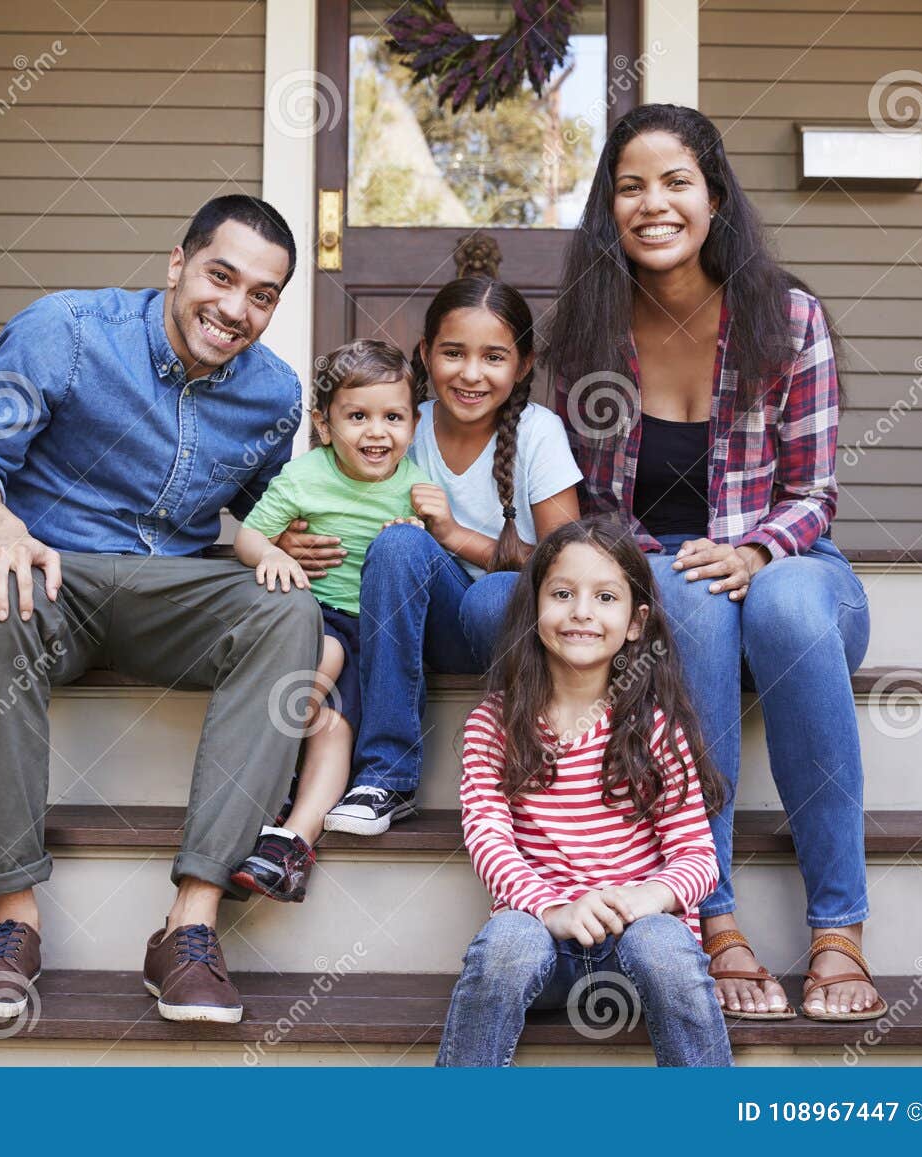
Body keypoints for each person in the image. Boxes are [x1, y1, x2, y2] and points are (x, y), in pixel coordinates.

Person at [0, 195, 321, 1025]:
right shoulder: (65, 330)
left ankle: (189, 926)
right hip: (50, 577)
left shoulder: (275, 395)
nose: (236, 309)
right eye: (222, 276)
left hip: (167, 596)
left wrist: (307, 538)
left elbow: (263, 513)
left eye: (262, 294)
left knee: (288, 613)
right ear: (177, 264)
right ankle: (10, 923)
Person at [547, 103, 886, 1023]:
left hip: (796, 566)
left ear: (715, 196)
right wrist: (653, 566)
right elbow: (589, 507)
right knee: (690, 607)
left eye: (675, 182)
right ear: (607, 208)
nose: (652, 204)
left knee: (778, 608)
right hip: (666, 574)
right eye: (629, 186)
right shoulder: (587, 332)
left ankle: (838, 927)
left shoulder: (788, 317)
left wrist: (752, 550)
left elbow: (814, 497)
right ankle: (716, 912)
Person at [437, 517, 732, 1067]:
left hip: (635, 944)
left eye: (604, 597)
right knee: (506, 942)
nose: (581, 612)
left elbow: (697, 855)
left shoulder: (656, 727)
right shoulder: (494, 725)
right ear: (535, 609)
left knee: (664, 945)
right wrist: (552, 909)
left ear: (636, 622)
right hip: (544, 941)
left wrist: (652, 898)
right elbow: (488, 840)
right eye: (564, 594)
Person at [320, 277, 582, 836]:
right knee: (396, 544)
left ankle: (530, 768)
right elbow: (324, 501)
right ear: (424, 353)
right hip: (418, 624)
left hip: (508, 633)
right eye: (453, 353)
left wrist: (458, 537)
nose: (470, 373)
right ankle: (384, 777)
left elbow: (573, 571)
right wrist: (293, 539)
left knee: (492, 595)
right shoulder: (397, 426)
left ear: (524, 362)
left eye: (493, 357)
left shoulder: (539, 434)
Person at [228, 339, 428, 899]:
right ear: (323, 425)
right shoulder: (304, 477)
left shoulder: (416, 485)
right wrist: (272, 553)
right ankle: (282, 819)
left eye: (393, 417)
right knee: (327, 671)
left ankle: (289, 843)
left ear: (413, 423)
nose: (377, 432)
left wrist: (427, 528)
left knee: (334, 725)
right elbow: (249, 534)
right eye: (357, 417)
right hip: (312, 617)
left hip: (378, 636)